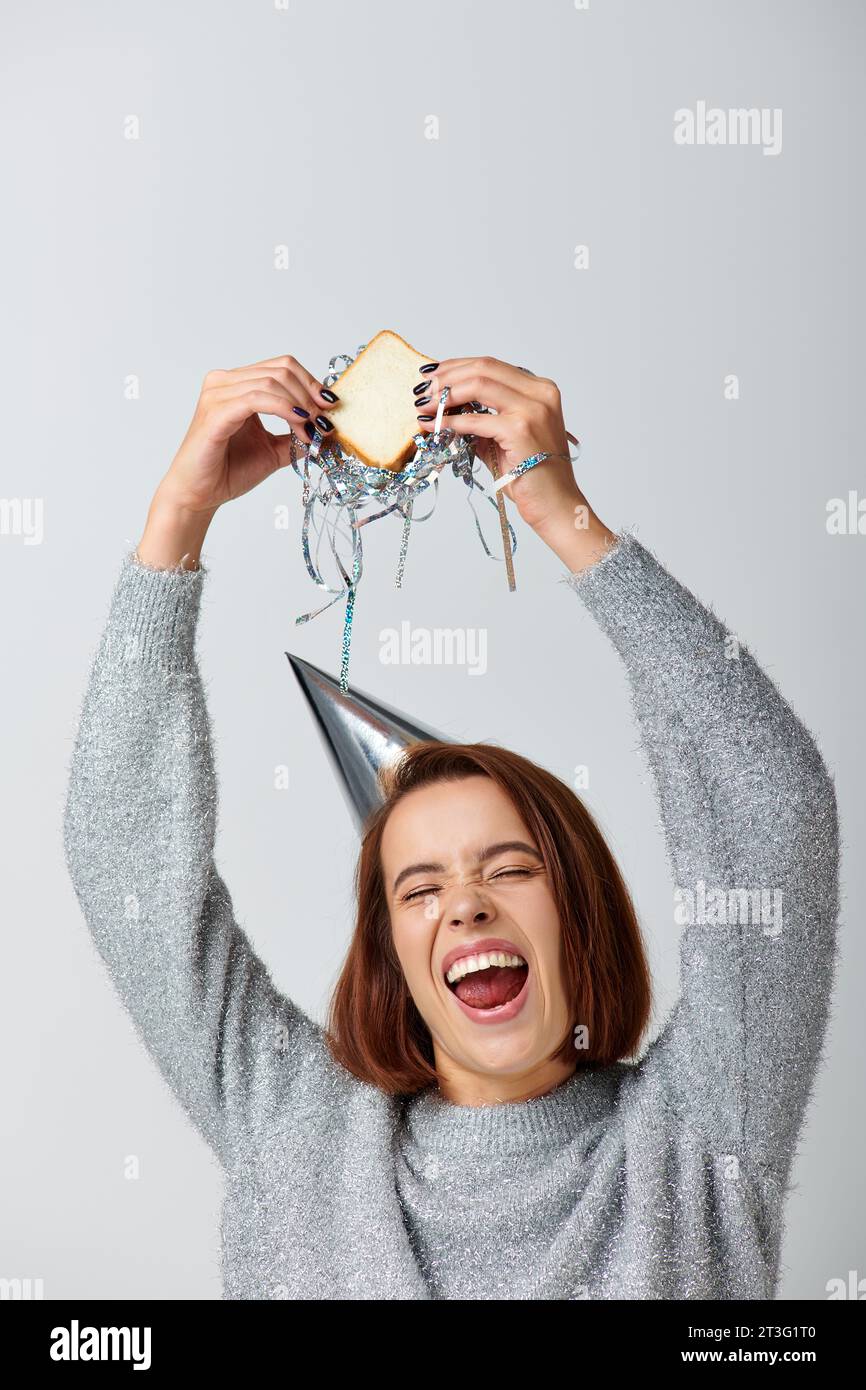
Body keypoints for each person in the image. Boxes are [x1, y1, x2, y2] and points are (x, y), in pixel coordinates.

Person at [62, 353, 840, 1300]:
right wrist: (175, 522)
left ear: (580, 914)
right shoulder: (298, 1135)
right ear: (391, 956)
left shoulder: (699, 1141)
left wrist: (566, 517)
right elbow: (125, 861)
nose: (465, 907)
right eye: (420, 888)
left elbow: (773, 815)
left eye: (510, 870)